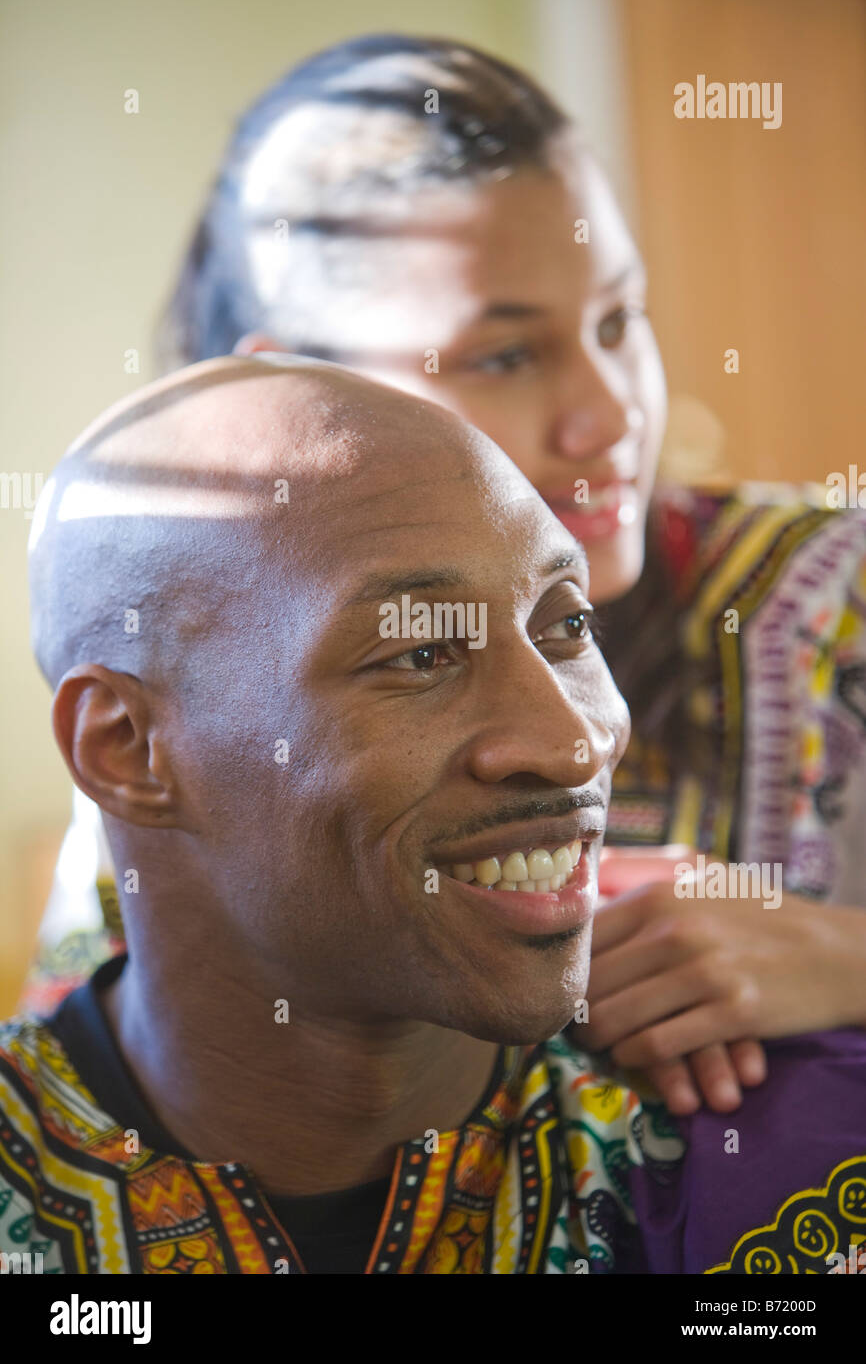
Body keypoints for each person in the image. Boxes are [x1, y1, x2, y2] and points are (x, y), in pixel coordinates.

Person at [23, 35, 866, 1120]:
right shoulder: (200, 727)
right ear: (290, 391)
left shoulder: (833, 589)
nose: (607, 416)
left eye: (618, 322)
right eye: (503, 354)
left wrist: (844, 959)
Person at [4, 356, 866, 1276]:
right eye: (419, 653)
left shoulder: (790, 1160)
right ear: (125, 749)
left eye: (565, 625)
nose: (575, 745)